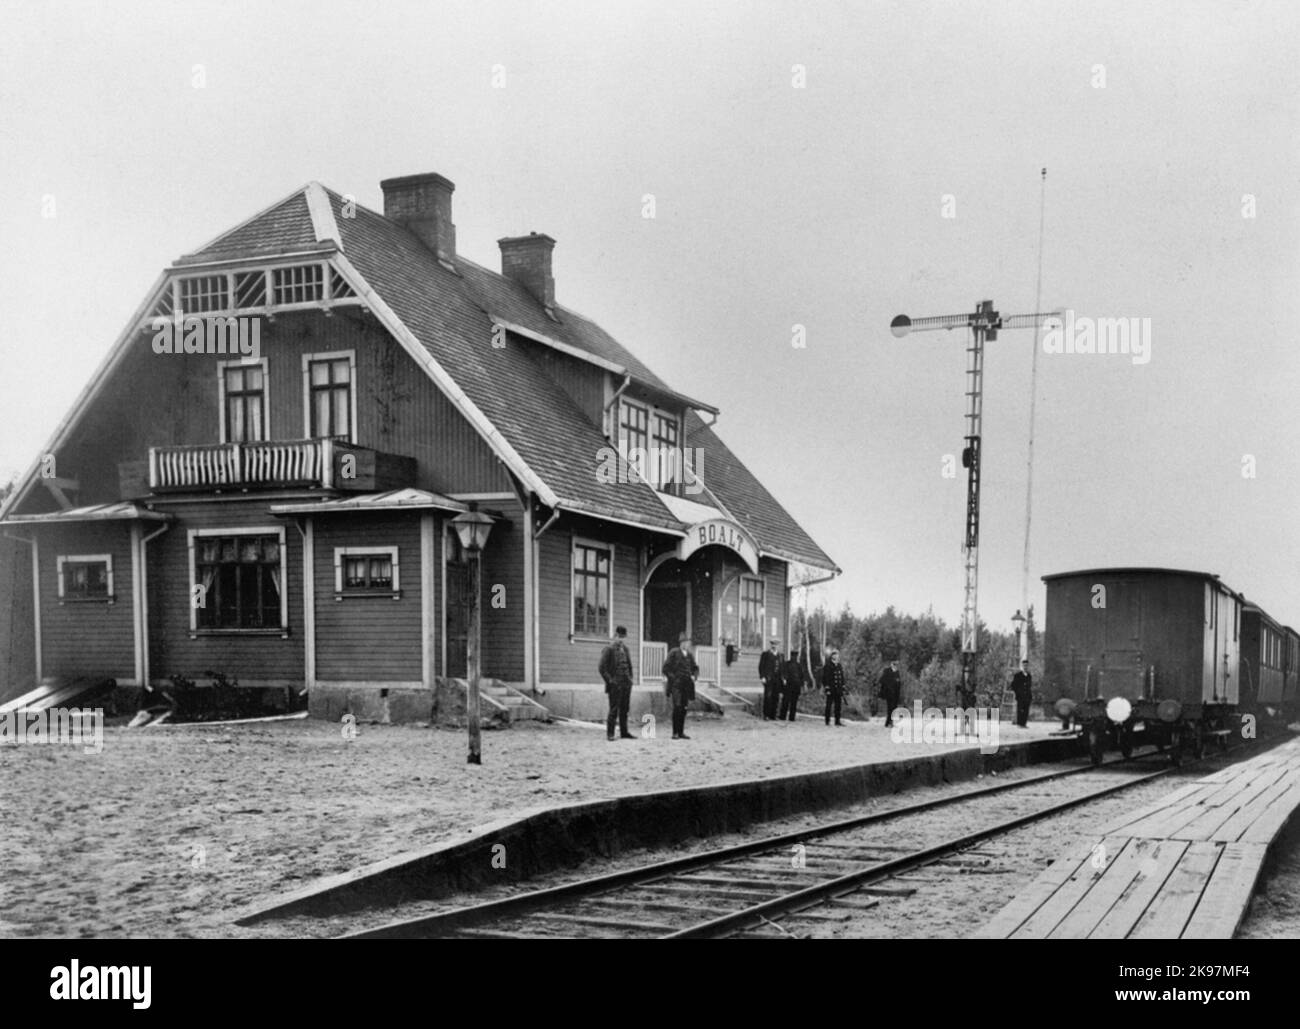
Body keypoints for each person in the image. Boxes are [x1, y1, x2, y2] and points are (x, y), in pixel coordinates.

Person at [598, 625, 636, 741]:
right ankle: (610, 734)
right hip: (615, 685)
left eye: (623, 637)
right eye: (619, 636)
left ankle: (624, 733)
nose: (621, 639)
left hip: (626, 684)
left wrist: (630, 680)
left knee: (625, 709)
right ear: (615, 636)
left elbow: (629, 666)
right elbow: (602, 668)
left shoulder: (626, 649)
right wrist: (610, 681)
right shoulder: (609, 649)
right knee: (614, 709)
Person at [662, 633, 699, 740]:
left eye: (688, 642)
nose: (686, 644)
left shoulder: (689, 655)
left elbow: (695, 667)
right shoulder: (674, 652)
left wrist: (694, 676)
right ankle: (674, 733)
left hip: (686, 685)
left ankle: (681, 732)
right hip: (676, 685)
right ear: (681, 643)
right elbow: (665, 668)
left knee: (683, 708)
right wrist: (673, 679)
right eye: (684, 642)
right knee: (677, 707)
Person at [758, 638, 783, 720]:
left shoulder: (780, 656)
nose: (774, 646)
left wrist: (783, 678)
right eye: (773, 644)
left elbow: (782, 668)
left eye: (776, 644)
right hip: (768, 678)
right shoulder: (766, 654)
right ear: (771, 645)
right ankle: (766, 715)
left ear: (778, 645)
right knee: (768, 696)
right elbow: (761, 666)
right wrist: (762, 677)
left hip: (777, 679)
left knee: (776, 697)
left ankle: (773, 715)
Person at [821, 649, 847, 726]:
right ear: (831, 656)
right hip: (831, 689)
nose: (836, 656)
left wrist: (843, 686)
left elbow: (842, 677)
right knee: (829, 705)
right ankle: (827, 721)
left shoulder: (839, 665)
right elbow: (825, 678)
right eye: (834, 654)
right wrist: (827, 688)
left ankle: (837, 721)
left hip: (838, 689)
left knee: (838, 706)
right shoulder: (828, 666)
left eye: (837, 655)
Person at [779, 649, 803, 721]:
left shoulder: (799, 666)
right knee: (785, 702)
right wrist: (784, 680)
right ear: (791, 656)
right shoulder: (786, 664)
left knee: (794, 703)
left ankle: (792, 717)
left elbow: (801, 676)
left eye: (795, 656)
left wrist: (800, 684)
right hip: (788, 686)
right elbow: (783, 673)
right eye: (793, 656)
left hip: (796, 686)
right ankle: (782, 716)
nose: (794, 657)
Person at [878, 659, 902, 728]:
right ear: (891, 664)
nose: (896, 665)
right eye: (894, 664)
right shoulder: (887, 670)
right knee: (890, 708)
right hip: (888, 692)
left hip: (896, 693)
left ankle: (888, 722)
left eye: (897, 664)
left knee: (893, 708)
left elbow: (898, 682)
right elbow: (881, 680)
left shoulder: (897, 672)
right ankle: (889, 722)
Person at [1011, 658, 1033, 728]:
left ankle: (1024, 723)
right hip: (1020, 696)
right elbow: (1013, 685)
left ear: (1028, 666)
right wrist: (1018, 693)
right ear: (1022, 666)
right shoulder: (1018, 675)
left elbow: (1029, 686)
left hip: (1027, 696)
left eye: (1026, 665)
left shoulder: (1029, 676)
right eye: (1024, 665)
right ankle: (1019, 724)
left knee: (1026, 710)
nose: (1025, 667)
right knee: (1020, 710)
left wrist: (1030, 695)